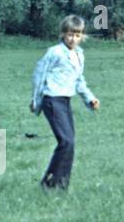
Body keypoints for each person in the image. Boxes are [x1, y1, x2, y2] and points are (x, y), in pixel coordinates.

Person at [31, 14, 99, 189]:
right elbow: (39, 75)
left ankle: (61, 185)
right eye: (70, 35)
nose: (73, 39)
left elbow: (79, 80)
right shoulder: (54, 52)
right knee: (66, 141)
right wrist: (35, 100)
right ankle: (49, 183)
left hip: (65, 100)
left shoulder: (79, 54)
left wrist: (90, 98)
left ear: (82, 35)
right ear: (63, 34)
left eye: (77, 35)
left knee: (70, 143)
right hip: (51, 99)